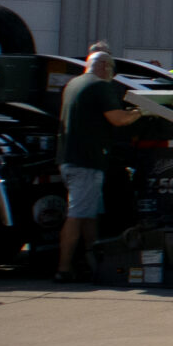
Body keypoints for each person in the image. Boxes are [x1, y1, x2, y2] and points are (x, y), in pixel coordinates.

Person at [57, 49, 140, 282]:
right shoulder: (99, 86)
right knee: (77, 215)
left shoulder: (73, 84)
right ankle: (63, 269)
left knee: (89, 214)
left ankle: (93, 261)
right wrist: (139, 112)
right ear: (104, 66)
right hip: (86, 162)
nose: (112, 75)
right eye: (112, 69)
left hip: (69, 159)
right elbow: (118, 119)